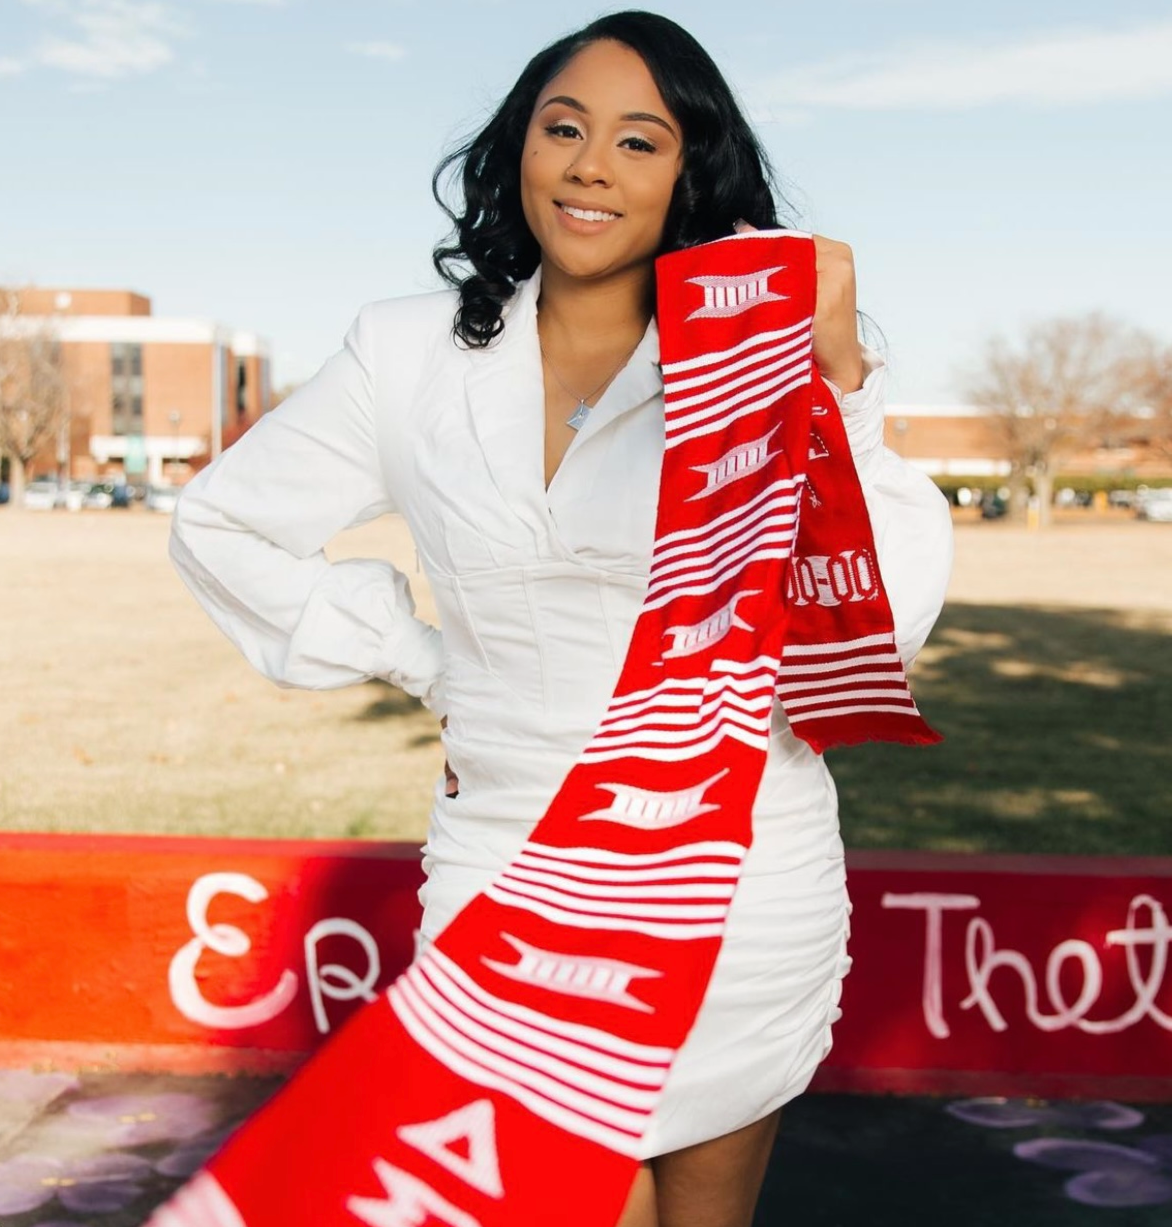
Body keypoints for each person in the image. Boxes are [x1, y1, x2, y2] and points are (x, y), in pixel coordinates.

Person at [170, 11, 953, 1227]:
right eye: (564, 128)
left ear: (690, 172)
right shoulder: (406, 353)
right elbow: (222, 524)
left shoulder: (751, 358)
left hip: (734, 877)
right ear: (519, 147)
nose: (592, 167)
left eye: (640, 142)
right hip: (507, 870)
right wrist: (427, 662)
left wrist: (838, 384)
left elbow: (876, 628)